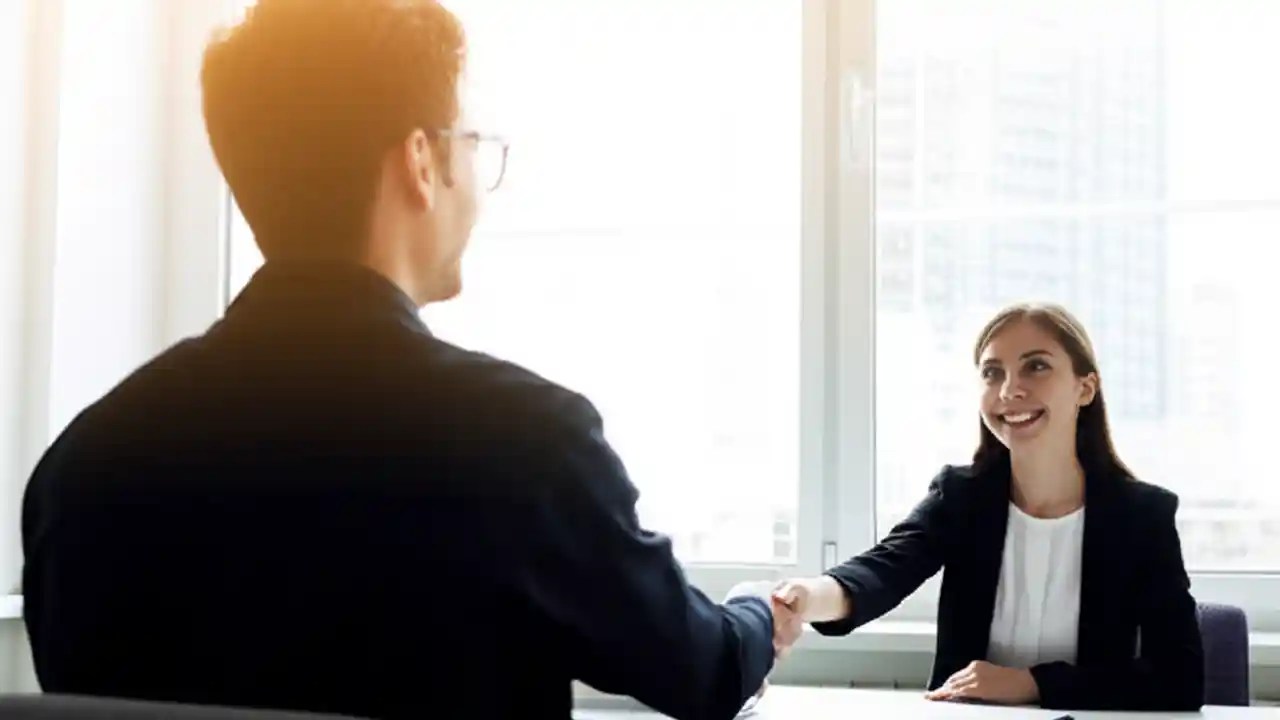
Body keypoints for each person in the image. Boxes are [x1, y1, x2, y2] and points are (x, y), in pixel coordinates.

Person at [20, 1, 800, 718]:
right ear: (421, 163)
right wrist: (758, 618)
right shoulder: (524, 443)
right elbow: (703, 672)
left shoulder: (81, 473)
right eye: (473, 145)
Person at [772, 302, 1204, 711]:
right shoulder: (962, 496)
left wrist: (1032, 683)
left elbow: (1180, 680)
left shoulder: (1142, 515)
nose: (1009, 390)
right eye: (992, 373)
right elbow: (882, 571)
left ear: (1084, 388)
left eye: (1036, 367)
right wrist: (807, 597)